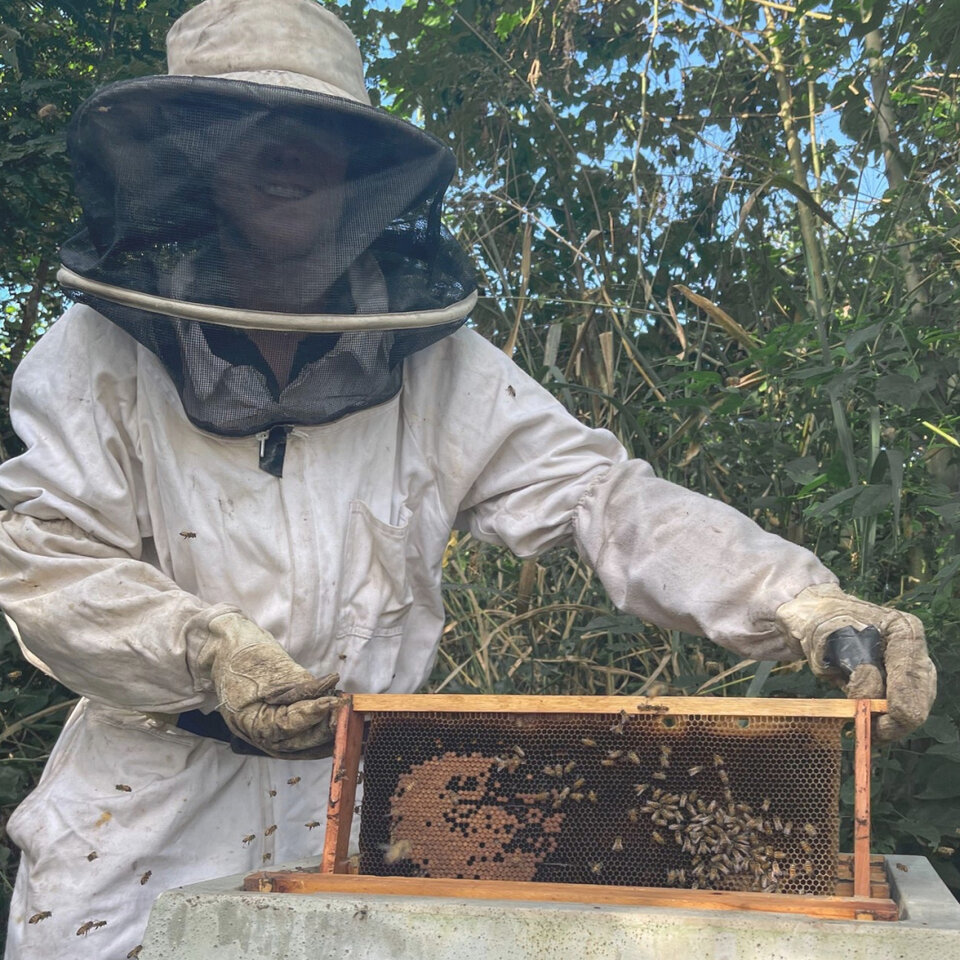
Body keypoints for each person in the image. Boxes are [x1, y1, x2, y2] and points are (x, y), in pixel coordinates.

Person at [0, 0, 936, 957]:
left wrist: (803, 601)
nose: (286, 157)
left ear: (363, 173)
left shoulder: (442, 367)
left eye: (316, 136)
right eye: (251, 130)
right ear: (199, 157)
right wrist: (207, 648)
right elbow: (45, 561)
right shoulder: (95, 357)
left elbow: (600, 496)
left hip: (360, 807)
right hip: (140, 810)